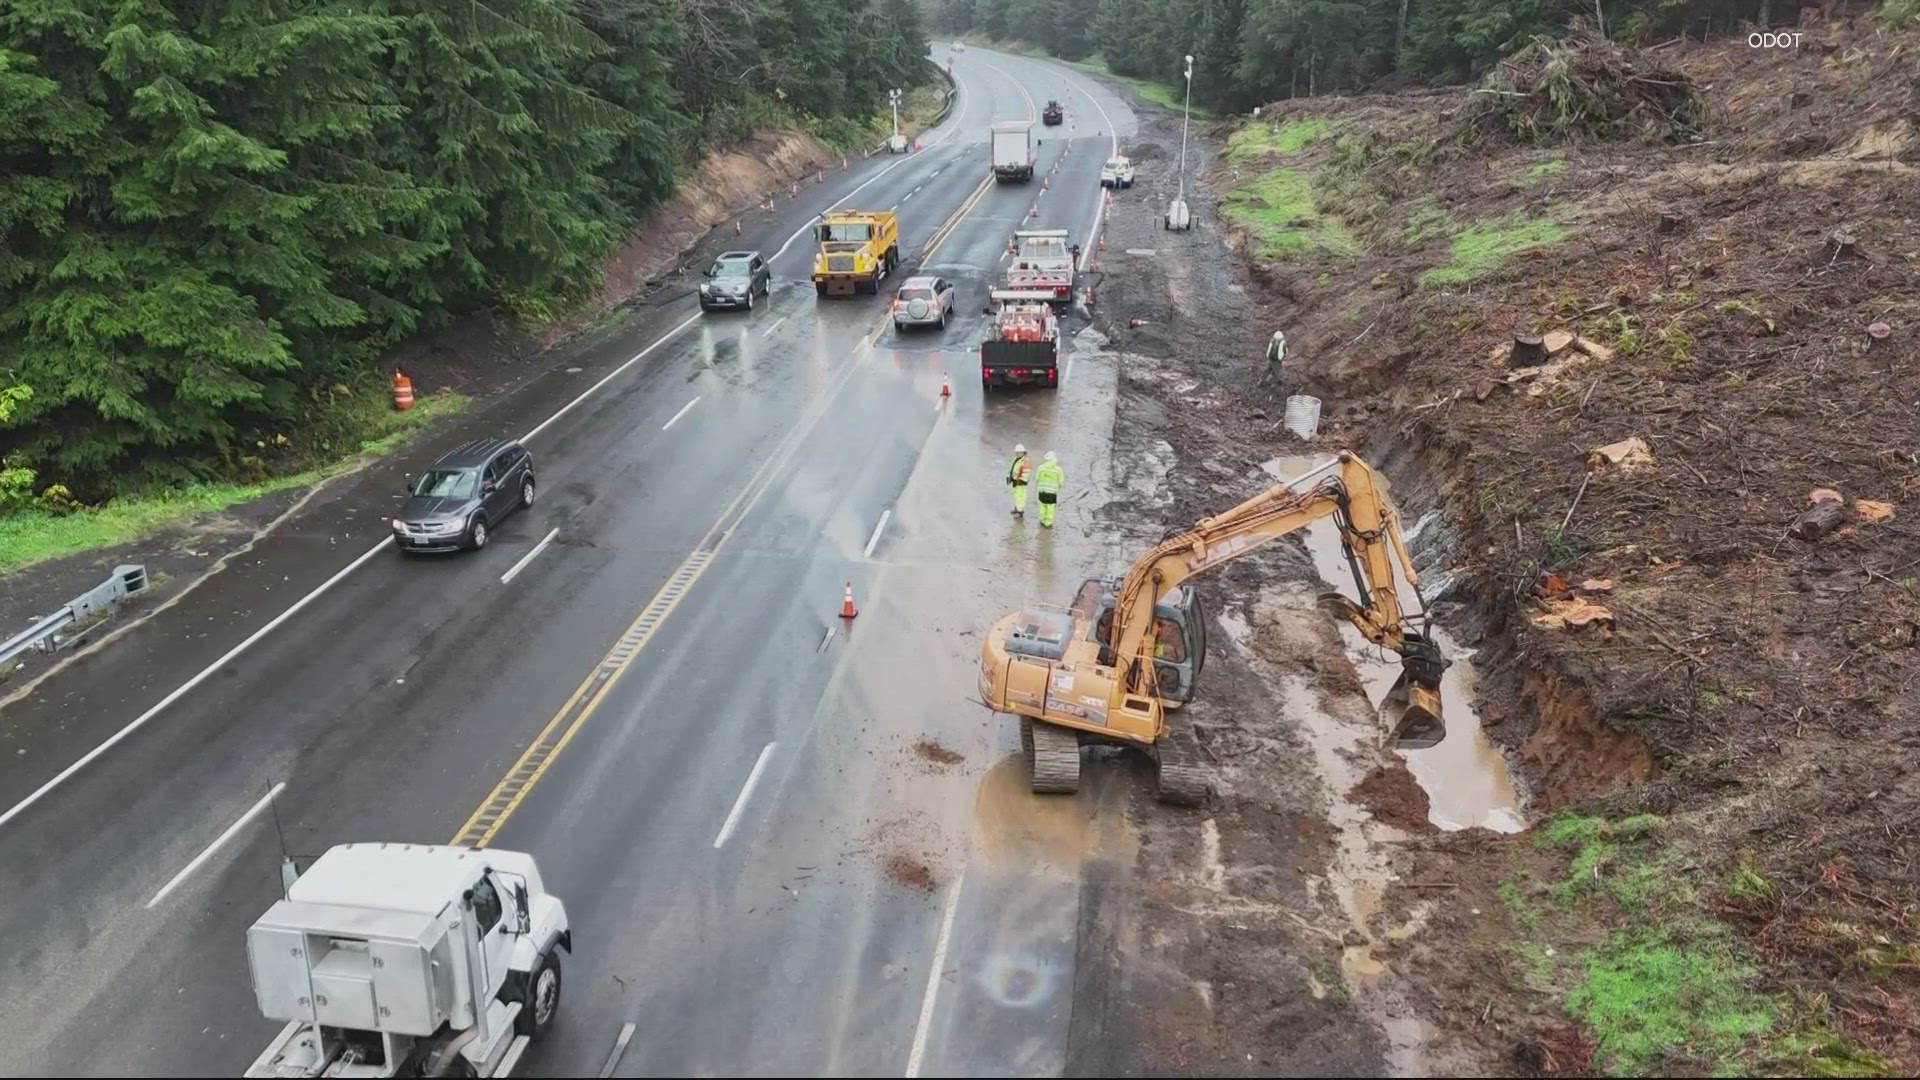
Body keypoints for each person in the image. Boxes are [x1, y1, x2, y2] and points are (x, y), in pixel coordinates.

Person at [1034, 451, 1065, 528]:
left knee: (1042, 506)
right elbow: (1061, 481)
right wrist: (1059, 486)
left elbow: (1037, 479)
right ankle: (1048, 522)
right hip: (1052, 493)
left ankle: (1042, 519)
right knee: (1050, 507)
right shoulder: (1058, 470)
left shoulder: (1041, 468)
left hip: (1042, 492)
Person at [1006, 444, 1031, 516]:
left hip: (1020, 483)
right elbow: (1011, 468)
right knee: (1016, 496)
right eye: (1017, 452)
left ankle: (1020, 512)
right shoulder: (1016, 459)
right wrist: (1009, 477)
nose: (1018, 454)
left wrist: (1022, 481)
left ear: (1023, 452)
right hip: (1015, 482)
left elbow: (1026, 473)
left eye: (1019, 452)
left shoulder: (1025, 461)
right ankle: (1017, 508)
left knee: (1020, 497)